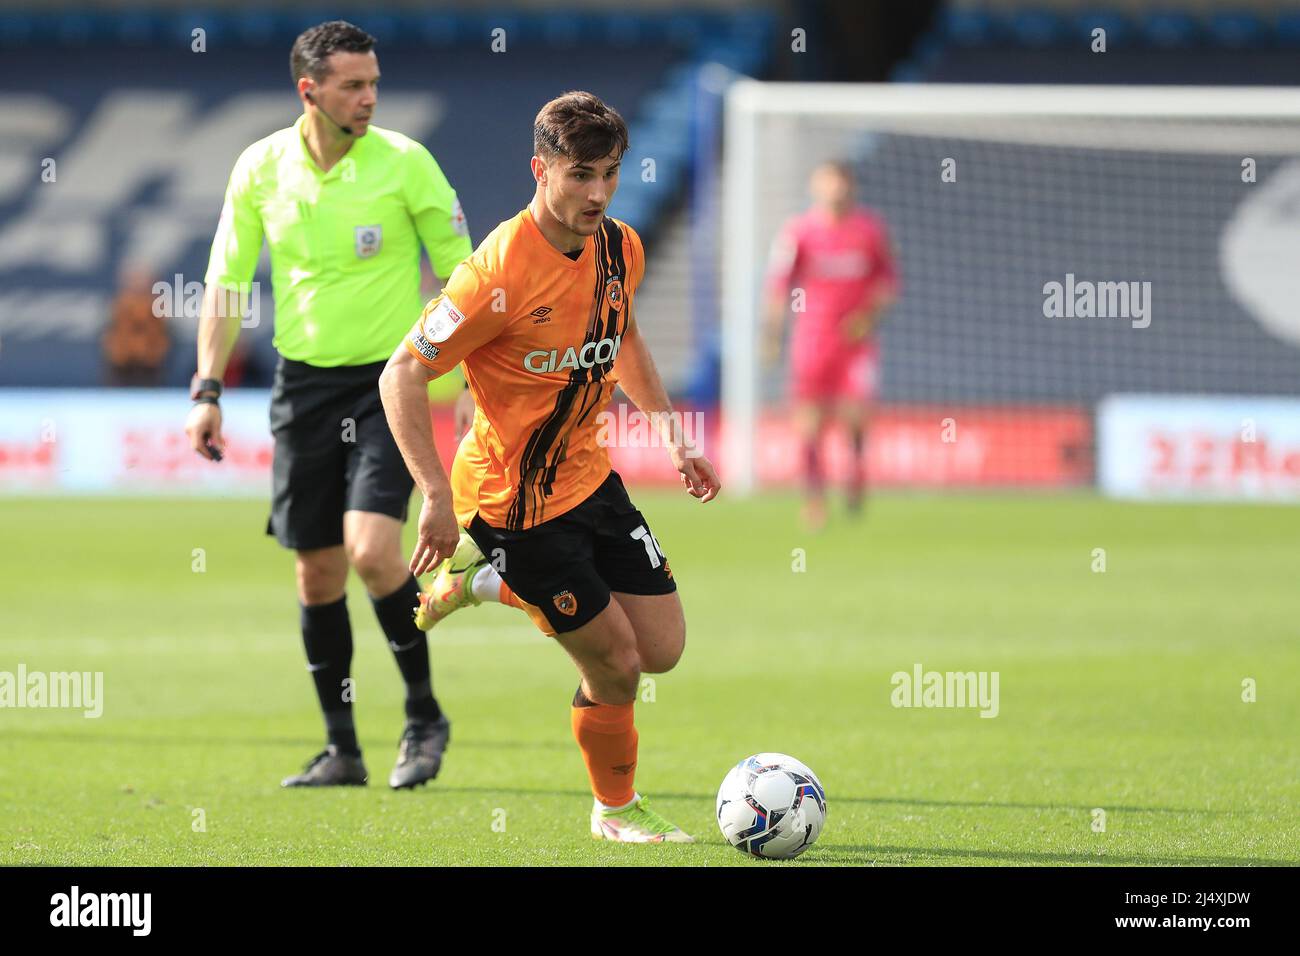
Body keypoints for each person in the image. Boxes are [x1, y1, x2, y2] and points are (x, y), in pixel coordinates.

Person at [379, 91, 721, 843]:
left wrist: (670, 431)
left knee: (663, 650)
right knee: (619, 667)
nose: (598, 192)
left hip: (592, 480)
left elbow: (620, 334)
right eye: (579, 175)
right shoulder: (494, 273)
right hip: (513, 507)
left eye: (610, 173)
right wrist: (433, 493)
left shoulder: (620, 247)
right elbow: (400, 374)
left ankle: (482, 584)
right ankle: (616, 811)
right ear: (541, 169)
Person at [184, 20, 473, 789]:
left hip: (389, 383)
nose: (370, 97)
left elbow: (467, 284)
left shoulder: (407, 164)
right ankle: (341, 747)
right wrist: (207, 388)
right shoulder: (260, 168)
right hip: (301, 387)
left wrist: (475, 383)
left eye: (374, 82)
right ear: (309, 91)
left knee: (373, 551)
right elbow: (228, 282)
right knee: (316, 575)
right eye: (354, 85)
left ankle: (423, 716)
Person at [763, 160, 899, 530]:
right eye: (828, 184)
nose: (834, 191)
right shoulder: (799, 232)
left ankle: (855, 475)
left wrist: (868, 317)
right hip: (812, 340)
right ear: (815, 187)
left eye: (840, 184)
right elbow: (778, 286)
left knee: (855, 418)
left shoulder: (869, 231)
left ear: (850, 187)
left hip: (856, 344)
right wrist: (772, 336)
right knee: (809, 424)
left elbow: (888, 282)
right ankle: (814, 501)